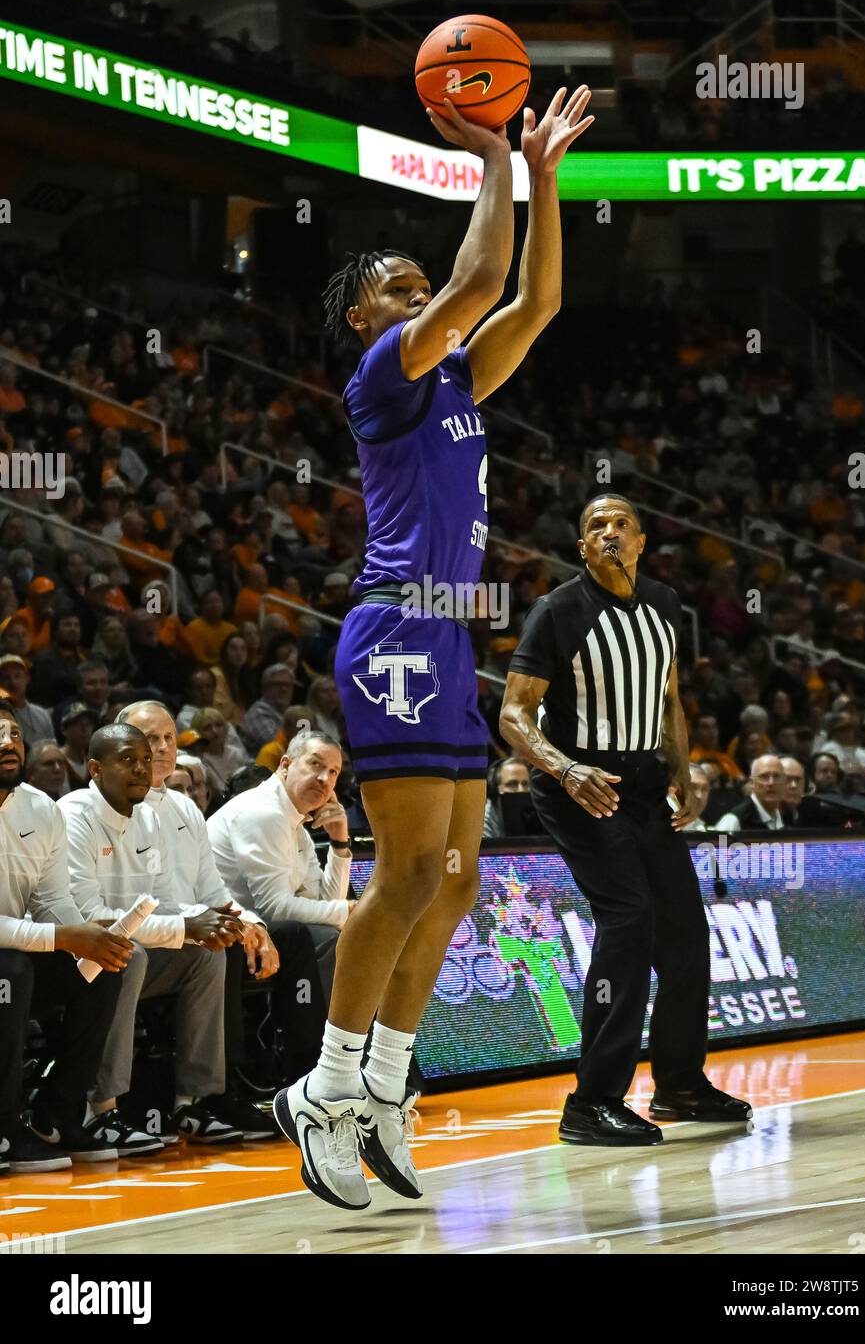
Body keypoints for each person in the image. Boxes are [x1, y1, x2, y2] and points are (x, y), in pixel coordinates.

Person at [273, 85, 599, 1211]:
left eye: (417, 285)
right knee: (408, 868)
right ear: (367, 323)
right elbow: (475, 285)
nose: (419, 296)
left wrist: (542, 177)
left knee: (456, 881)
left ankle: (389, 1084)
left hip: (451, 632)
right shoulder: (384, 375)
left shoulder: (458, 376)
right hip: (397, 626)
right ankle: (322, 1086)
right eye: (395, 291)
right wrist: (491, 158)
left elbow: (537, 298)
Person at [500, 494, 750, 1149]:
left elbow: (668, 698)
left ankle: (679, 1085)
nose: (608, 534)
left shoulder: (664, 605)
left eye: (619, 525)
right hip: (579, 785)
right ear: (582, 547)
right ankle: (592, 1102)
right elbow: (513, 715)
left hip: (641, 784)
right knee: (627, 918)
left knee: (685, 930)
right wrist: (564, 769)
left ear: (641, 541)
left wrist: (683, 770)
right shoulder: (556, 611)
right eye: (594, 527)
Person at [58, 724, 245, 1150]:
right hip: (71, 955)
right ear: (94, 768)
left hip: (129, 948)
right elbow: (90, 918)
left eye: (145, 759)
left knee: (205, 955)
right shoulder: (73, 816)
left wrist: (207, 921)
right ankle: (100, 1109)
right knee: (130, 954)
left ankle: (192, 1101)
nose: (142, 768)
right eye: (127, 759)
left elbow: (162, 902)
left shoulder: (147, 816)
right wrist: (183, 927)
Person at [115, 700, 278, 1138]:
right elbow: (153, 902)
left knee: (217, 951)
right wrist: (209, 922)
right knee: (204, 948)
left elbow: (213, 891)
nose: (165, 747)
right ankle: (107, 1105)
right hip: (128, 942)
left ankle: (199, 1100)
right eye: (152, 739)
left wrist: (251, 922)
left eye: (169, 737)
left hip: (178, 941)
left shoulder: (185, 808)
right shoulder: (114, 807)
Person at [0, 706, 135, 1172]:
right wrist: (63, 935)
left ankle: (56, 1113)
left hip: (15, 949)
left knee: (100, 969)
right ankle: (3, 1125)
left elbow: (51, 899)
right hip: (8, 961)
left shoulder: (39, 808)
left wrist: (84, 936)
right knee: (11, 970)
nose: (8, 741)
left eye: (15, 733)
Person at [207, 730, 353, 1084]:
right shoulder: (264, 813)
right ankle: (321, 1067)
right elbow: (276, 909)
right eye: (316, 765)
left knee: (338, 933)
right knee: (332, 938)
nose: (324, 779)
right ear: (286, 764)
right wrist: (349, 914)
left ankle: (343, 1064)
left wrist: (339, 842)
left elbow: (325, 901)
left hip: (267, 931)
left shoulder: (296, 823)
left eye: (333, 772)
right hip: (226, 933)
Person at [715, 755, 786, 832]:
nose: (771, 783)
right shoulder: (733, 821)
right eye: (764, 777)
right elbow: (719, 843)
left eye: (776, 776)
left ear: (784, 781)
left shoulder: (787, 816)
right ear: (752, 783)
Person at [238, 663, 295, 754]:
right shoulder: (258, 712)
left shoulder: (290, 712)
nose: (284, 689)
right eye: (277, 684)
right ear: (264, 688)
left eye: (288, 684)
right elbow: (280, 746)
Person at [0, 653, 54, 744]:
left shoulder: (42, 714)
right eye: (6, 678)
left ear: (27, 678)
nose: (13, 682)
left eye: (17, 676)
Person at [482, 756, 533, 838]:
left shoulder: (537, 811)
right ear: (495, 788)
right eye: (512, 784)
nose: (521, 790)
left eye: (525, 784)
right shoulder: (482, 818)